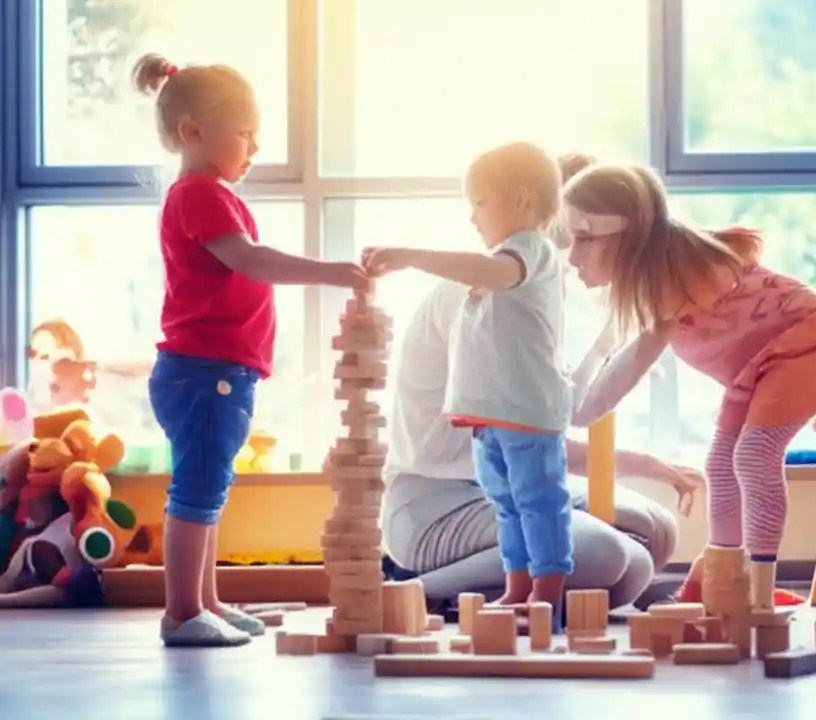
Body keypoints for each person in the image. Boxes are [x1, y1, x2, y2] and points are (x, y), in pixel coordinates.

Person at [378, 153, 697, 611]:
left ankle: (530, 597)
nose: (581, 253)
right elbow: (523, 426)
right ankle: (410, 590)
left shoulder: (539, 294)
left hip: (501, 469)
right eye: (579, 231)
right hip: (433, 500)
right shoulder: (484, 286)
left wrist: (637, 339)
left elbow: (561, 410)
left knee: (652, 537)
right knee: (600, 553)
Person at [133, 54, 368, 647]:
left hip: (215, 373)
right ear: (194, 133)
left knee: (208, 488)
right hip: (203, 373)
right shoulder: (200, 195)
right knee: (196, 492)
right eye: (245, 134)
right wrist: (331, 272)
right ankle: (181, 612)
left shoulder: (207, 194)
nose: (255, 148)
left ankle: (204, 600)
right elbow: (251, 261)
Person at [563, 164, 816, 607]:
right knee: (721, 465)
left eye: (583, 239)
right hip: (756, 368)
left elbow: (617, 372)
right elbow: (605, 379)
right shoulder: (654, 289)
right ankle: (722, 580)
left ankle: (758, 596)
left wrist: (578, 405)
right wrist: (573, 405)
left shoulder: (672, 279)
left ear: (627, 236)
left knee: (754, 456)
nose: (572, 257)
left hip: (807, 346)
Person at [364, 142, 575, 613]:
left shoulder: (531, 251)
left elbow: (492, 273)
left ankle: (546, 594)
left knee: (538, 502)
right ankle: (518, 586)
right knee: (506, 504)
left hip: (528, 413)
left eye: (479, 202)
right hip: (491, 417)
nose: (472, 217)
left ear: (521, 200)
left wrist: (412, 255)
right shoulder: (503, 257)